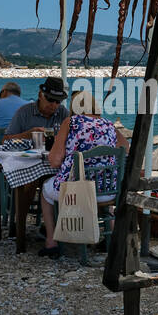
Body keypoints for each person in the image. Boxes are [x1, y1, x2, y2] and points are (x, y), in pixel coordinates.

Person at [36, 90, 126, 259]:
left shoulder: (71, 122)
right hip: (107, 192)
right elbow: (125, 150)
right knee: (105, 202)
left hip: (78, 192)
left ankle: (51, 242)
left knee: (45, 190)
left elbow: (55, 162)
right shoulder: (108, 124)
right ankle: (113, 242)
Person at [4, 77, 68, 141]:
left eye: (58, 101)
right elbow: (5, 140)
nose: (54, 104)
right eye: (50, 99)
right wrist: (28, 135)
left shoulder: (63, 113)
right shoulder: (24, 112)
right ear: (40, 95)